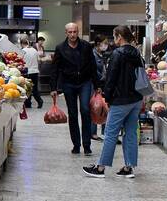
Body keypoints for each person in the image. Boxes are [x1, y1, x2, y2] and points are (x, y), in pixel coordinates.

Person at [83, 25, 146, 178]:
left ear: (119, 36)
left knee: (111, 133)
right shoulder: (136, 53)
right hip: (136, 99)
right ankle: (129, 167)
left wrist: (108, 97)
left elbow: (111, 78)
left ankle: (100, 168)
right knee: (130, 133)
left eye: (114, 36)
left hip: (121, 100)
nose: (113, 40)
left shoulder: (117, 54)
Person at [51, 22, 99, 156]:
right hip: (68, 84)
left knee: (85, 110)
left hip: (85, 82)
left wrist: (97, 85)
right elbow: (55, 69)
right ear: (66, 33)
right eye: (70, 32)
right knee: (72, 114)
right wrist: (53, 87)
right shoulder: (60, 48)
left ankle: (87, 144)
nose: (72, 34)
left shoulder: (86, 46)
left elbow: (93, 66)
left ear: (78, 32)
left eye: (75, 32)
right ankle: (76, 145)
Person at [20, 37, 42, 108]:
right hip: (35, 72)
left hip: (27, 72)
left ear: (22, 44)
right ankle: (39, 101)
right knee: (35, 88)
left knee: (27, 89)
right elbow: (39, 60)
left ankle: (28, 103)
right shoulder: (35, 50)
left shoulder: (22, 51)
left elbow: (20, 62)